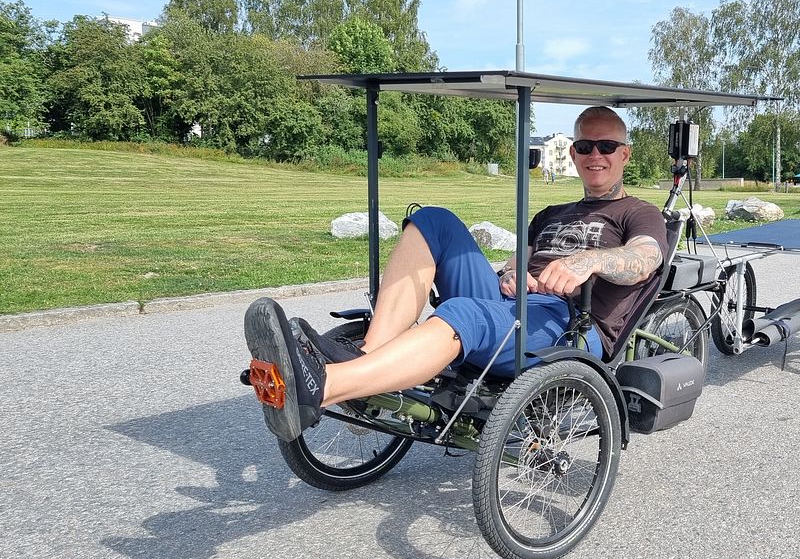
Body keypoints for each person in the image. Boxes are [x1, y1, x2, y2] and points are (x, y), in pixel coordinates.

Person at [244, 106, 668, 441]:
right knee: (434, 219)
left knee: (464, 312)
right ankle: (367, 362)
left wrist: (590, 261)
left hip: (569, 321)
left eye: (607, 147)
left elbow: (645, 259)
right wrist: (511, 273)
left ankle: (323, 386)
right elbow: (517, 260)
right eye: (586, 146)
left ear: (625, 154)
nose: (596, 155)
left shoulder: (638, 212)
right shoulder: (550, 214)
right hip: (515, 303)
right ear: (574, 152)